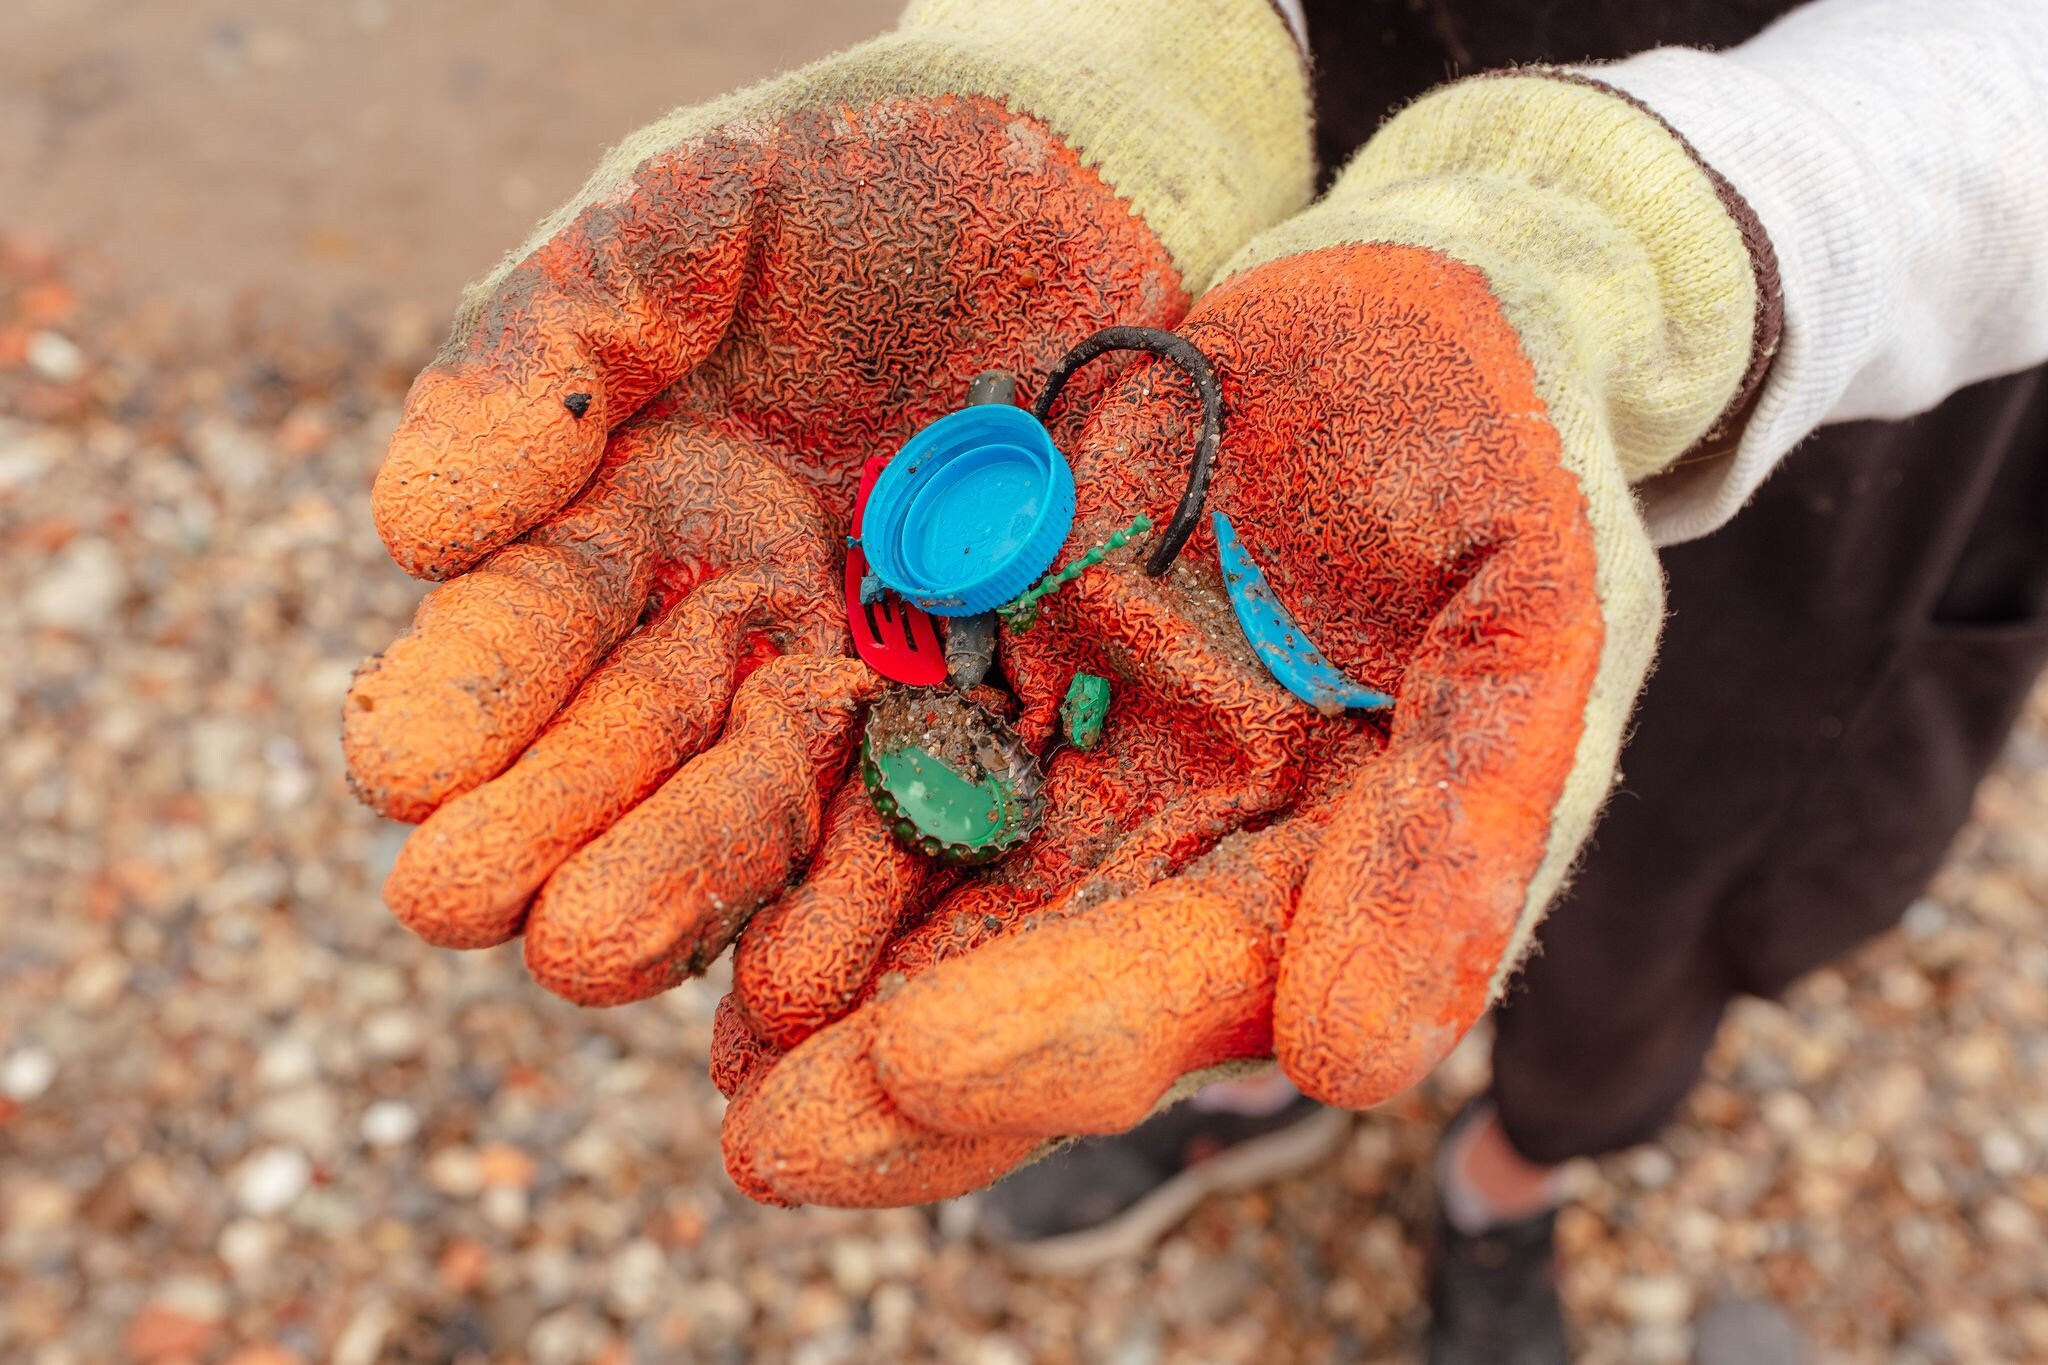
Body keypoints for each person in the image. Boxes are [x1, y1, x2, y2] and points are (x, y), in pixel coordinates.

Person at [339, 2, 2048, 1359]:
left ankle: (1513, 1179)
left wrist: (1650, 247)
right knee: (1271, 853)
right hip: (1288, 237)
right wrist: (1121, 52)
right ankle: (1233, 1091)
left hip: (1867, 406)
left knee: (1662, 923)